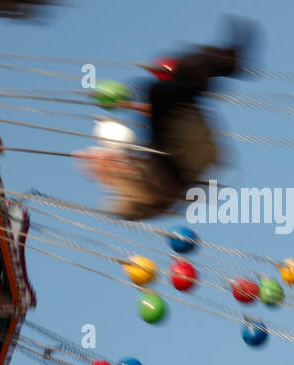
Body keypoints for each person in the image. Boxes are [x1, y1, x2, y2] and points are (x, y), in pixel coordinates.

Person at [77, 17, 258, 221]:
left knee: (163, 94)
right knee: (162, 92)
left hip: (184, 161)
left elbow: (155, 122)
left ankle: (218, 63)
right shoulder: (146, 186)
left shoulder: (147, 190)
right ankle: (220, 62)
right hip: (181, 161)